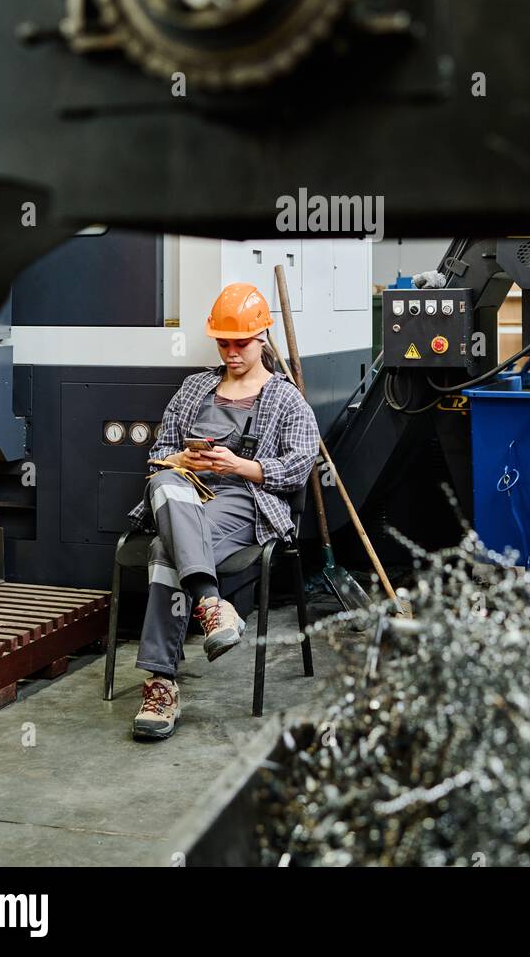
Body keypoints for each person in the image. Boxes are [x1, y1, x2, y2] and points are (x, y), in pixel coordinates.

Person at [127, 283, 319, 740]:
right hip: (185, 490)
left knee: (161, 549)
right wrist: (181, 460)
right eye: (223, 343)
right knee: (163, 480)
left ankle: (160, 685)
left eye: (240, 343)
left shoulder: (285, 398)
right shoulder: (195, 388)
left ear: (261, 339)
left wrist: (241, 465)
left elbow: (297, 467)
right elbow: (159, 451)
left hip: (244, 501)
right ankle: (213, 605)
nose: (231, 352)